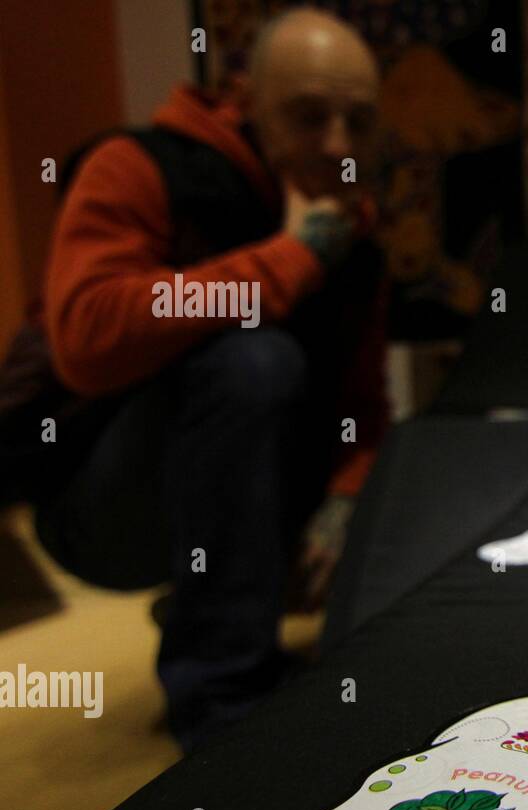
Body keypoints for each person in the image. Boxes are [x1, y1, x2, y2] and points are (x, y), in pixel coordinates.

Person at [3, 9, 389, 752]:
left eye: (360, 123)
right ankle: (224, 710)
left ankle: (212, 604)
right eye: (309, 118)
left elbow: (362, 411)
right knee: (254, 360)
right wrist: (290, 261)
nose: (338, 147)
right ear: (244, 100)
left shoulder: (358, 245)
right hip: (94, 507)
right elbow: (84, 337)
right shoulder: (136, 165)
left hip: (236, 487)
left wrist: (343, 506)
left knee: (387, 470)